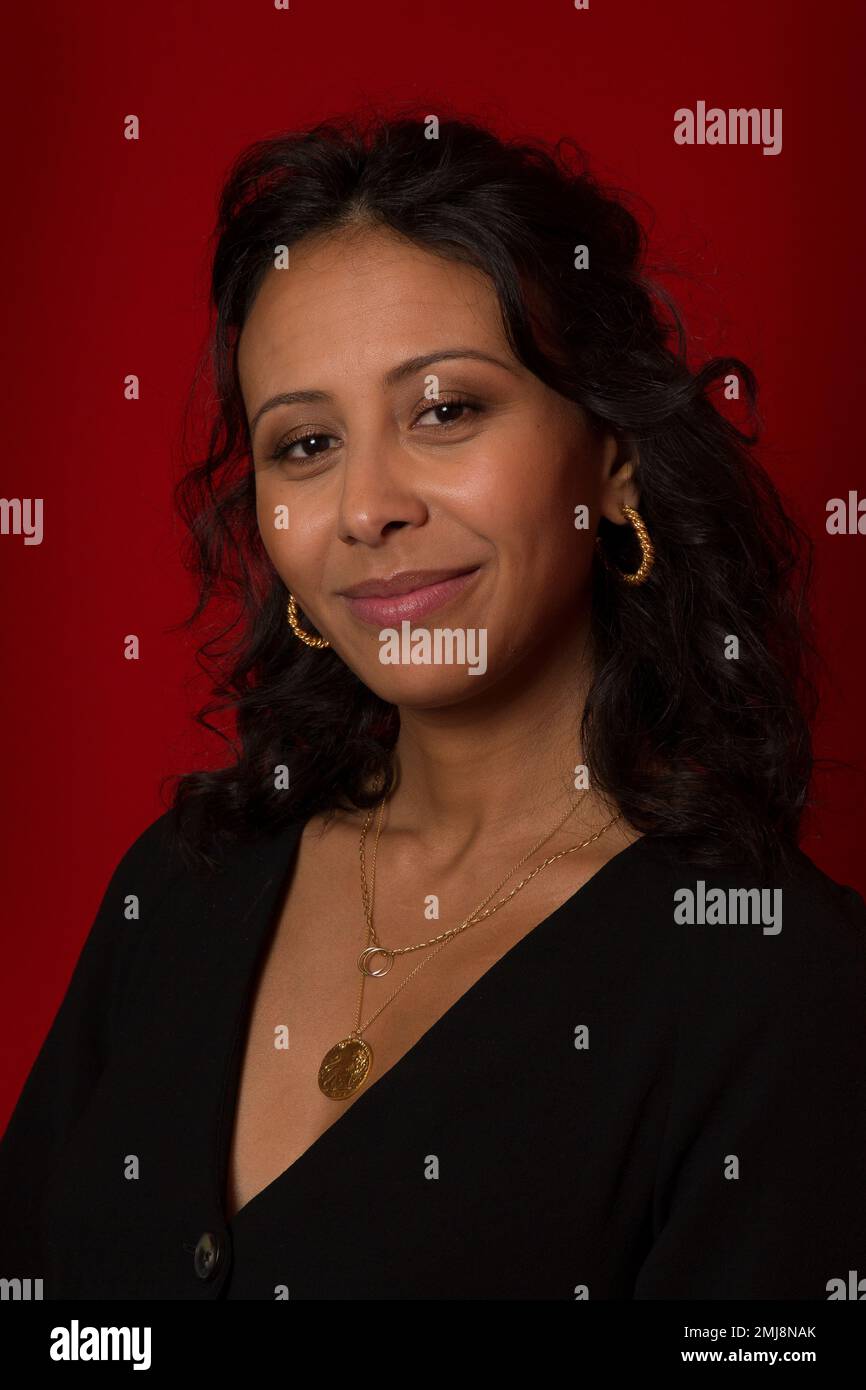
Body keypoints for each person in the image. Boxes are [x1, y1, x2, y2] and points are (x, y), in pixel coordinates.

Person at [1, 107, 864, 1301]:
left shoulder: (773, 988)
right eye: (303, 443)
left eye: (445, 409)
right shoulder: (182, 886)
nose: (367, 506)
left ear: (611, 458)